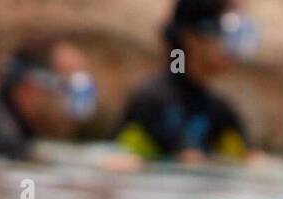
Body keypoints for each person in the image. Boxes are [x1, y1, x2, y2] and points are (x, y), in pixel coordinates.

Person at [111, 0, 259, 164]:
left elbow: (253, 160)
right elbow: (188, 160)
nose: (234, 48)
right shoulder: (153, 100)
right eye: (229, 34)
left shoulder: (221, 112)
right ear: (192, 38)